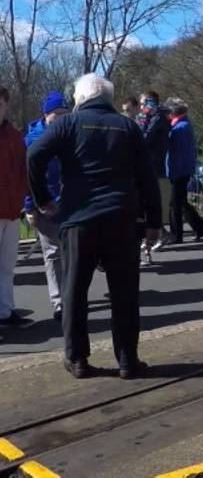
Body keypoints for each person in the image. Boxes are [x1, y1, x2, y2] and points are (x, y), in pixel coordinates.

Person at [28, 74, 161, 379]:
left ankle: (77, 358)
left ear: (80, 98)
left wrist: (43, 200)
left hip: (78, 219)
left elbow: (34, 155)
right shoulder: (127, 126)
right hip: (121, 218)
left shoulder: (67, 124)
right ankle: (128, 360)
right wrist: (154, 222)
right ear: (109, 99)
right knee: (124, 293)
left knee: (75, 290)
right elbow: (147, 178)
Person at [23, 92, 70, 322]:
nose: (60, 119)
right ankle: (59, 302)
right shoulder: (34, 139)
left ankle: (71, 295)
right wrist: (30, 206)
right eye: (56, 115)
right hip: (46, 204)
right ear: (46, 115)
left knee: (71, 253)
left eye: (64, 114)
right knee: (52, 254)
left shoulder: (71, 135)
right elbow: (28, 177)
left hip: (71, 203)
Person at [0, 86, 30, 328]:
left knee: (7, 266)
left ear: (6, 105)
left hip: (11, 212)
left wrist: (25, 201)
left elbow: (23, 172)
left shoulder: (15, 136)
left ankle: (5, 312)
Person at [164, 99, 203, 244]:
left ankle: (177, 234)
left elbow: (180, 152)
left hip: (179, 170)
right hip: (181, 169)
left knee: (175, 204)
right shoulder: (183, 125)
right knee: (181, 202)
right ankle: (200, 228)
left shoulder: (180, 128)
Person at [137, 91, 172, 261]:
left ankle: (158, 236)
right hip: (146, 166)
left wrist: (140, 126)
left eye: (144, 103)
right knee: (145, 208)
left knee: (151, 207)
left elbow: (144, 138)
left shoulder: (158, 118)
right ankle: (154, 239)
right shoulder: (148, 118)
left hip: (155, 167)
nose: (141, 107)